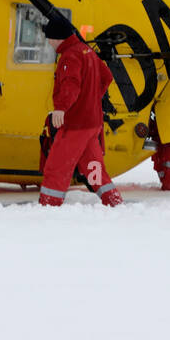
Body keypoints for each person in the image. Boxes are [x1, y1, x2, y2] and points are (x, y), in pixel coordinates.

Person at [38, 17, 122, 207]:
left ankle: (49, 205)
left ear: (57, 37)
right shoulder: (87, 51)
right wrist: (91, 100)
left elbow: (71, 85)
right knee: (93, 166)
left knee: (57, 165)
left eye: (49, 38)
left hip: (75, 124)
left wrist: (61, 108)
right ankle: (113, 201)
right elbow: (106, 77)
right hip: (92, 123)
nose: (49, 42)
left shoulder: (70, 55)